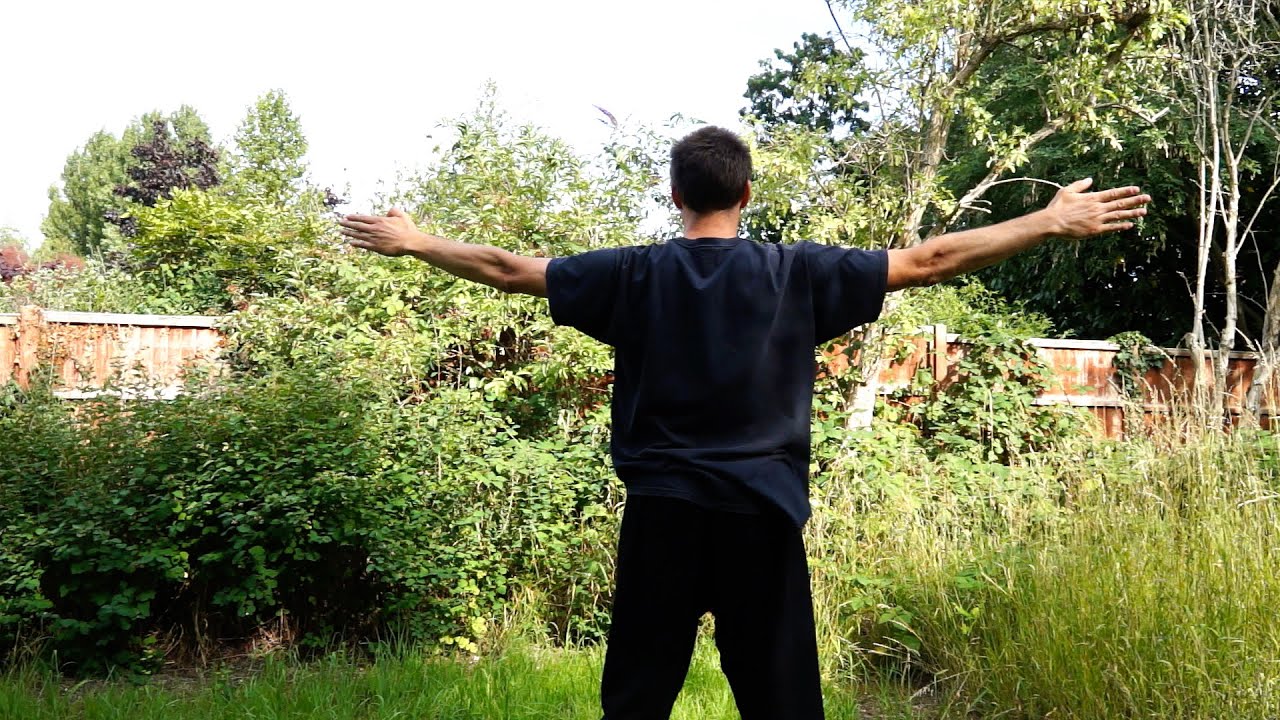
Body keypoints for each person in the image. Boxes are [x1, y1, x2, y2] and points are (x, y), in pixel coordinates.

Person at [338, 126, 1150, 720]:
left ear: (676, 194)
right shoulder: (796, 272)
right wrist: (1045, 220)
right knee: (783, 704)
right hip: (760, 517)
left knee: (636, 700)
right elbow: (930, 261)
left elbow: (510, 270)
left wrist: (415, 242)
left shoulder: (631, 276)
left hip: (663, 516)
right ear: (747, 195)